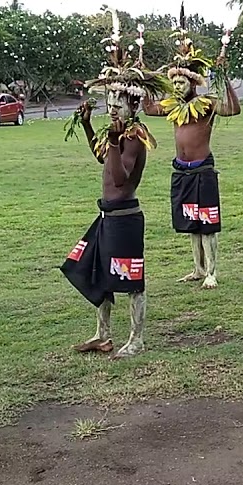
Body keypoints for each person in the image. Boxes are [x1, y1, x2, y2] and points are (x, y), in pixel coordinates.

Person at [63, 41, 172, 355]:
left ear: (134, 107)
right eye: (109, 101)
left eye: (119, 103)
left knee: (131, 279)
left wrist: (112, 142)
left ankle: (136, 339)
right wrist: (86, 126)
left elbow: (122, 178)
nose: (112, 107)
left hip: (125, 219)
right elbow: (102, 160)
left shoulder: (135, 136)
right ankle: (103, 334)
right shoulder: (116, 134)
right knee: (96, 272)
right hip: (106, 216)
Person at [144, 33, 240, 290]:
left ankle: (212, 271)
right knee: (191, 222)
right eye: (173, 81)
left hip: (202, 170)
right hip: (181, 171)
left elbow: (232, 109)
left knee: (207, 223)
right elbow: (148, 109)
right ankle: (197, 269)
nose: (176, 86)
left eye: (181, 82)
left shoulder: (206, 104)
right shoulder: (173, 105)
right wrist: (143, 83)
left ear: (193, 83)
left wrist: (224, 78)